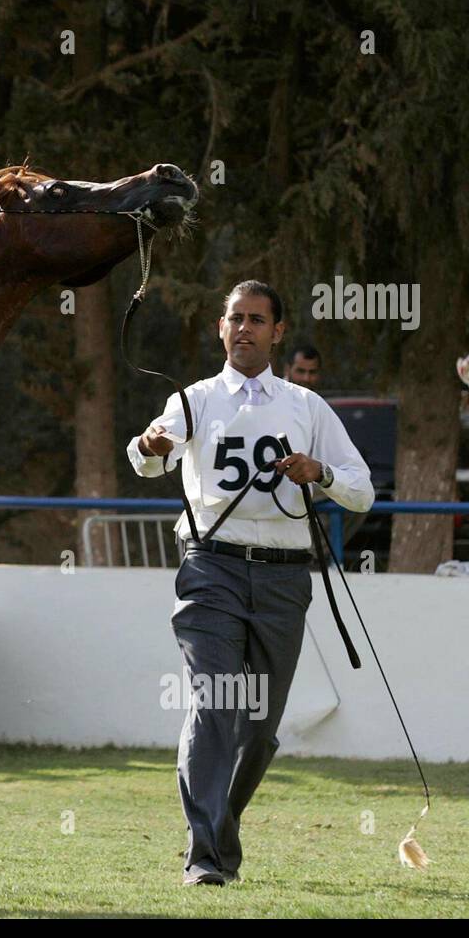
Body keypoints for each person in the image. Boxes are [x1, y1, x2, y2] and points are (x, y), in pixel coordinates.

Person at [127, 280, 373, 886]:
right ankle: (205, 856)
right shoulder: (196, 399)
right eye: (235, 318)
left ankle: (220, 827)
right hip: (211, 569)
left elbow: (362, 488)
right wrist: (149, 444)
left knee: (258, 729)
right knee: (214, 701)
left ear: (277, 332)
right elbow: (149, 454)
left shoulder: (307, 407)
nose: (244, 328)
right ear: (220, 328)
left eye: (257, 320)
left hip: (286, 580)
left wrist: (320, 473)